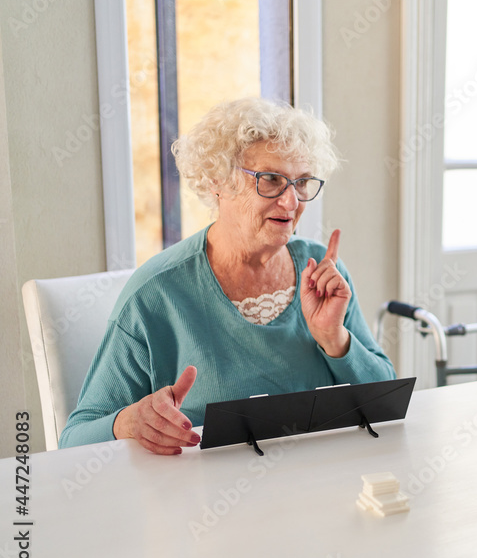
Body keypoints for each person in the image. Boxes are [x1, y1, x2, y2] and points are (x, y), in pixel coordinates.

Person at [60, 98, 395, 454]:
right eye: (271, 180)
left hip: (319, 487)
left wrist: (334, 338)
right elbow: (74, 439)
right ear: (217, 181)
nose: (291, 202)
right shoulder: (156, 293)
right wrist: (127, 423)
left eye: (300, 183)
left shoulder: (322, 270)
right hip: (204, 502)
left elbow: (385, 402)